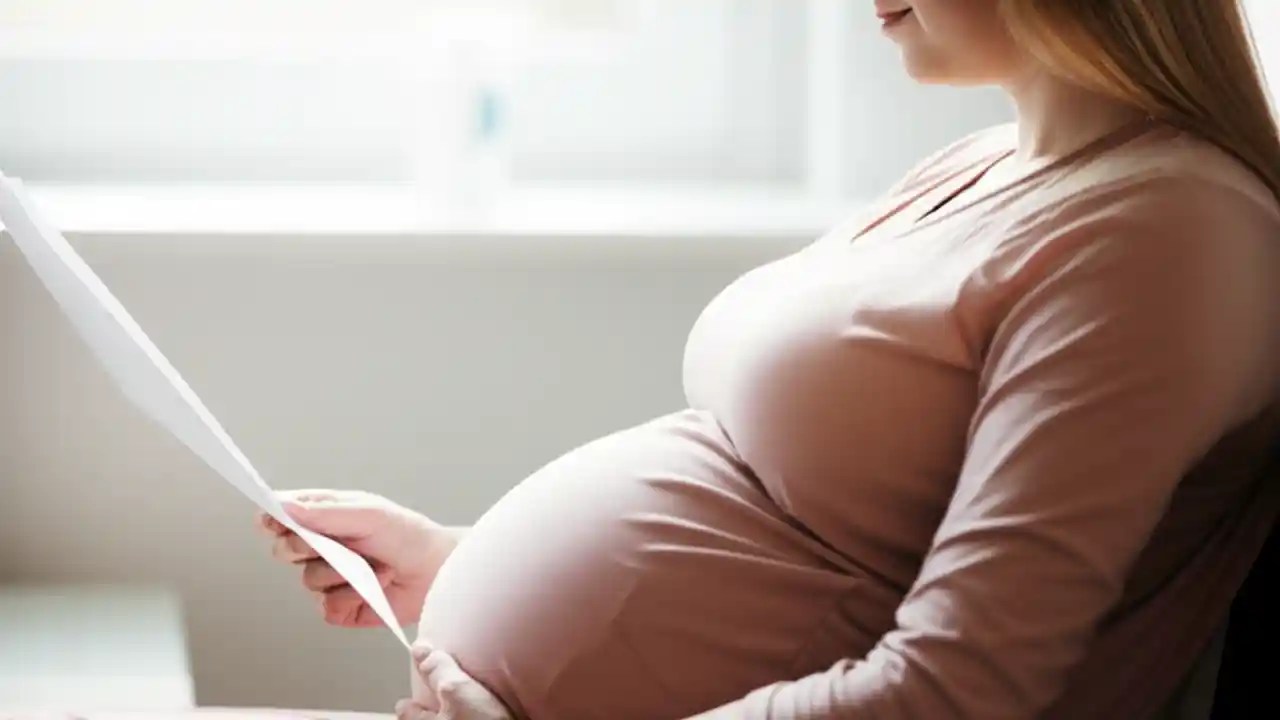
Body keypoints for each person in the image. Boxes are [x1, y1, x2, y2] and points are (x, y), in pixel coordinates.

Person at [259, 1, 1280, 718]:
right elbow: (813, 522)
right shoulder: (997, 164)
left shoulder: (1169, 240)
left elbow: (960, 690)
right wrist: (458, 563)